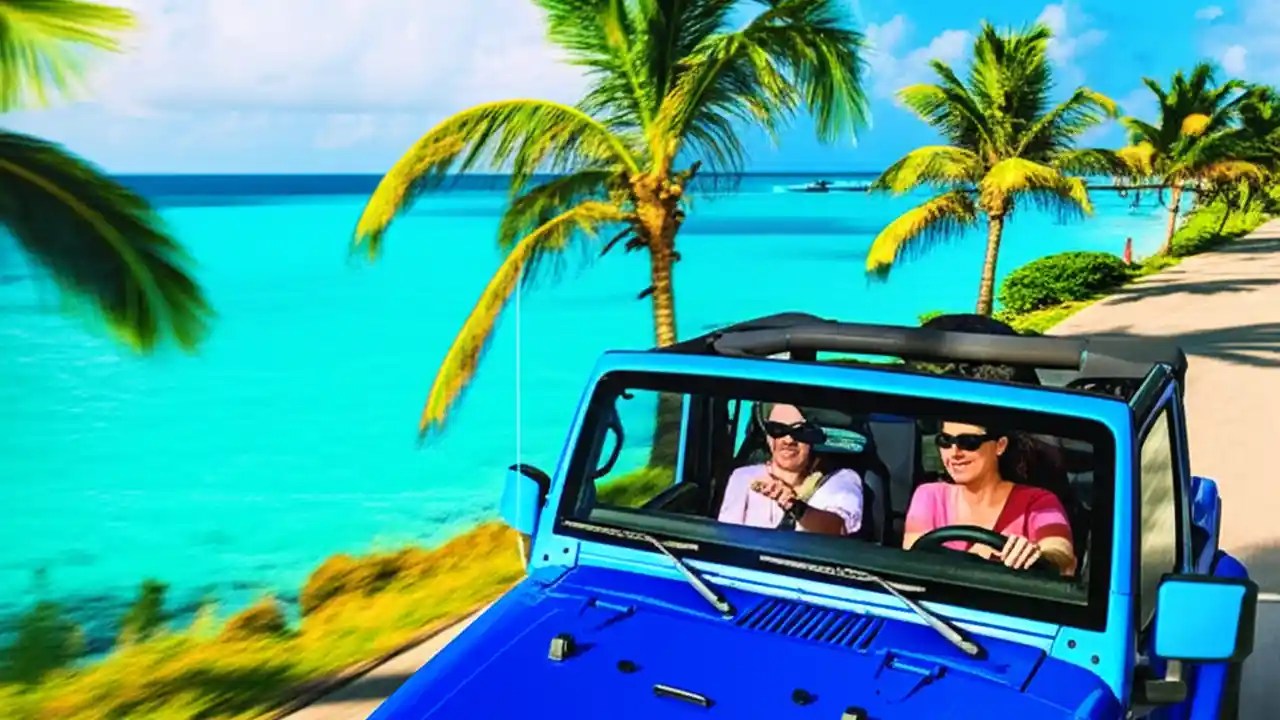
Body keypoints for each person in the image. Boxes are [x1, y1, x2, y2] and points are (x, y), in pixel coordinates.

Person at [902, 420, 1077, 575]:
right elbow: (912, 561)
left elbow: (1062, 555)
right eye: (945, 441)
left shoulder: (1039, 502)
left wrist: (1037, 555)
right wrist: (971, 560)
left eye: (969, 442)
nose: (954, 453)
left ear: (1000, 445)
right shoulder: (928, 495)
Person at [717, 403, 863, 536]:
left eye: (799, 431)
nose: (788, 440)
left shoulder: (840, 480)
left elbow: (837, 529)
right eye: (778, 429)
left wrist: (794, 506)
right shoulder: (744, 477)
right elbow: (726, 539)